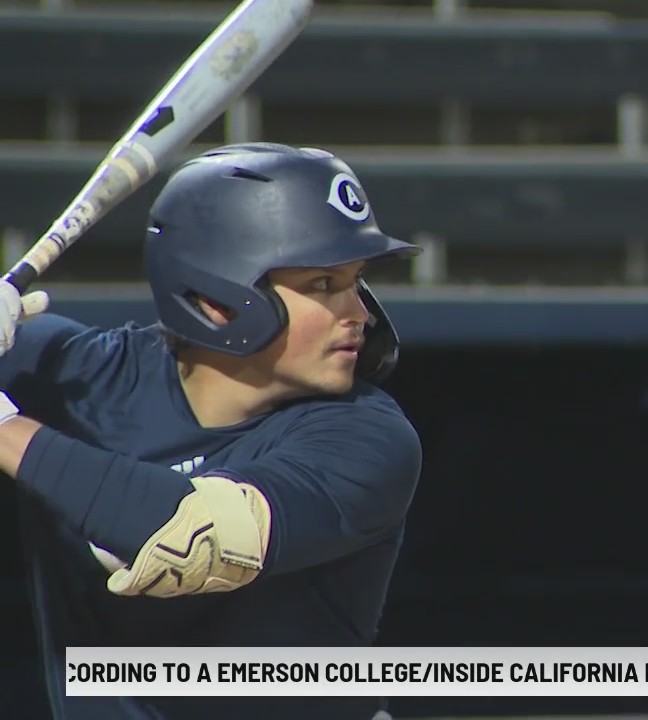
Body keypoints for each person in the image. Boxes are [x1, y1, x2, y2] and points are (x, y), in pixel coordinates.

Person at [0, 143, 424, 719]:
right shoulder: (73, 374)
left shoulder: (365, 438)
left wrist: (5, 428)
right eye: (324, 285)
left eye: (356, 281)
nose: (360, 313)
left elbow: (189, 539)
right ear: (217, 300)